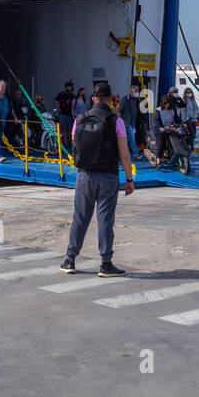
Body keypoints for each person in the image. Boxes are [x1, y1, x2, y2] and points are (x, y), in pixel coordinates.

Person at [61, 82, 135, 277]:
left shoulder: (80, 119)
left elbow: (75, 146)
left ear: (93, 98)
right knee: (105, 219)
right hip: (108, 176)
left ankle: (70, 259)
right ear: (110, 99)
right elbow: (125, 153)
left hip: (84, 175)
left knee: (80, 217)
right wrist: (129, 178)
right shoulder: (115, 121)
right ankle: (105, 263)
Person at [119, 81, 143, 161]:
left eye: (138, 91)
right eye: (136, 91)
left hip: (132, 123)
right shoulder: (125, 100)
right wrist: (122, 121)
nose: (137, 93)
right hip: (126, 123)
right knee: (132, 138)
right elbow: (119, 110)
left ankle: (122, 154)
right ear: (131, 91)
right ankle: (136, 154)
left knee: (128, 140)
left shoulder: (135, 100)